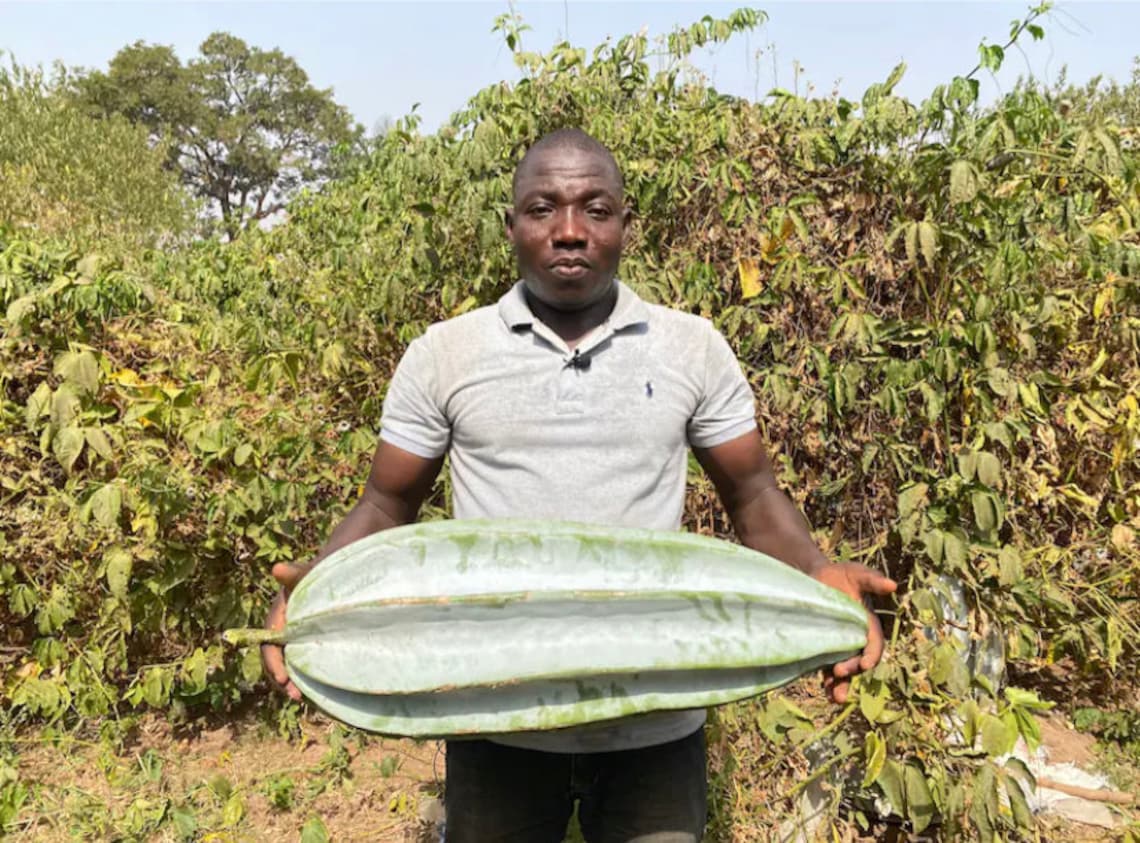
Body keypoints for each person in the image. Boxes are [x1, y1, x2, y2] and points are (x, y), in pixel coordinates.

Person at [261, 128, 897, 842]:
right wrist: (312, 590)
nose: (569, 231)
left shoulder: (692, 347)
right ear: (511, 226)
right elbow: (385, 504)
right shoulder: (446, 354)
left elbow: (752, 497)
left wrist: (817, 575)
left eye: (595, 209)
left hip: (655, 717)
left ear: (626, 224)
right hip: (493, 716)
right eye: (543, 209)